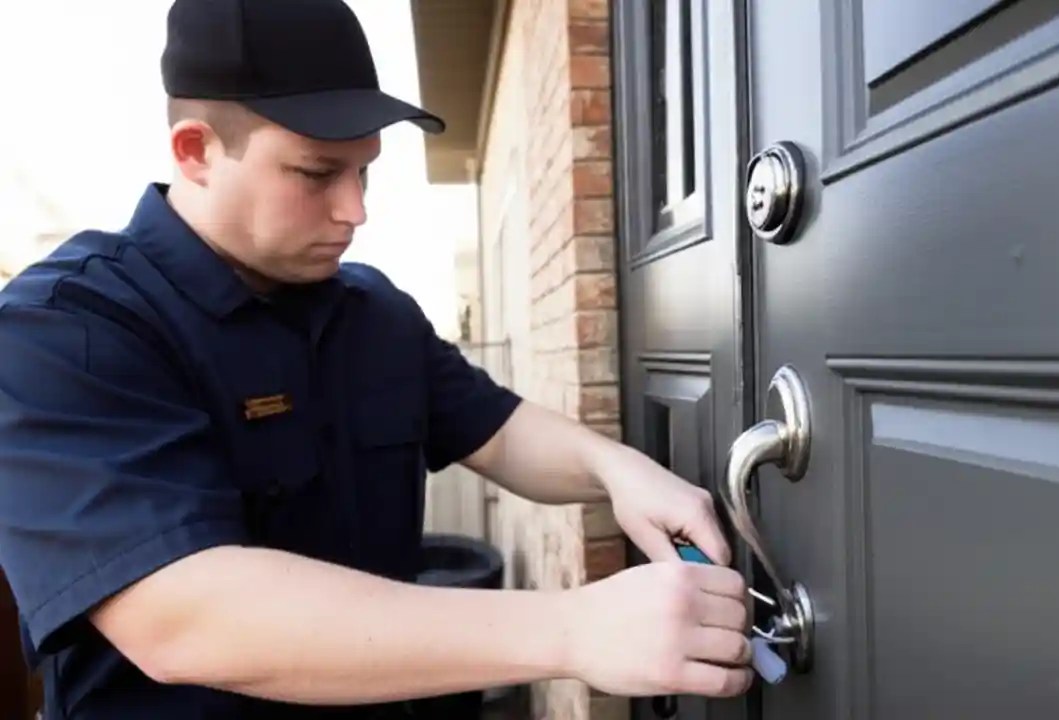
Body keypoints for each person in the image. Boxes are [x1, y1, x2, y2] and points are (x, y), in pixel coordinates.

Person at [0, 1, 754, 717]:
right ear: (195, 151)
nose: (356, 210)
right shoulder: (69, 330)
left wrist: (615, 469)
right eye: (317, 173)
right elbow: (180, 615)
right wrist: (570, 629)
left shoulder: (373, 312)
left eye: (365, 171)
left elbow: (497, 430)